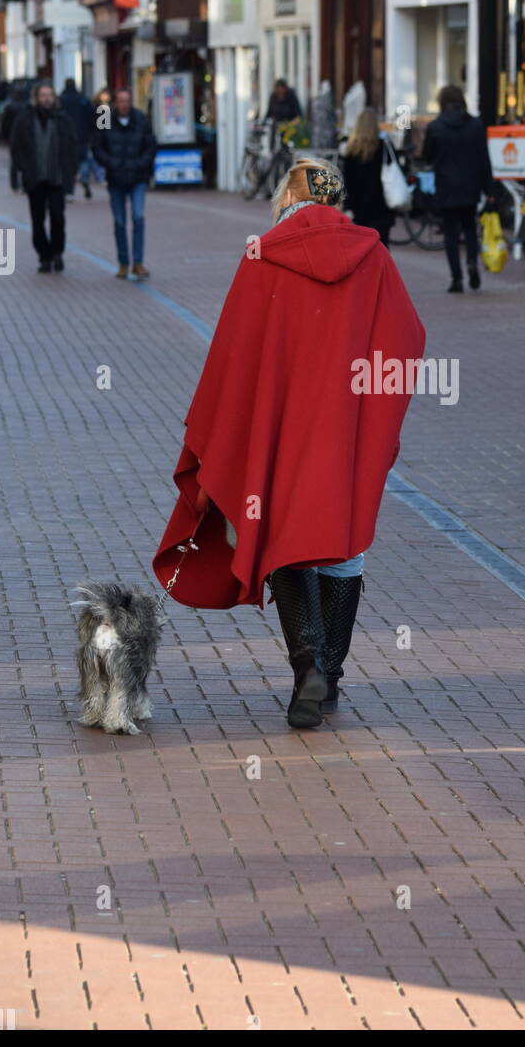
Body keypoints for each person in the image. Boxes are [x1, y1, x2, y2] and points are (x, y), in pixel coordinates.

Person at [153, 156, 425, 729]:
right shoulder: (372, 254)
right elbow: (407, 335)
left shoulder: (263, 254)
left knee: (281, 538)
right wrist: (372, 406)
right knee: (343, 545)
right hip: (346, 428)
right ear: (333, 199)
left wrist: (229, 424)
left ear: (287, 197)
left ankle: (310, 669)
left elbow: (232, 348)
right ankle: (328, 677)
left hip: (282, 428)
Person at [421, 84, 495, 293]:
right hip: (471, 186)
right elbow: (484, 159)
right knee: (470, 229)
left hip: (446, 186)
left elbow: (427, 156)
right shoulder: (476, 125)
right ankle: (472, 262)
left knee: (450, 233)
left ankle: (456, 278)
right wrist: (489, 189)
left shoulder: (435, 127)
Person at [9, 81, 78, 273]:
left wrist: (70, 172)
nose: (47, 98)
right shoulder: (25, 119)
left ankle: (57, 252)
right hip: (35, 179)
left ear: (54, 97)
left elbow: (72, 146)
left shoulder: (62, 119)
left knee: (58, 217)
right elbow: (16, 147)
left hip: (57, 178)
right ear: (36, 98)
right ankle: (44, 256)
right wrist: (23, 169)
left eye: (50, 94)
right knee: (37, 220)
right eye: (43, 95)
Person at [92, 86, 157, 280]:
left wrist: (141, 164)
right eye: (120, 100)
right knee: (119, 222)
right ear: (114, 103)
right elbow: (96, 146)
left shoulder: (141, 119)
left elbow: (151, 145)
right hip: (116, 179)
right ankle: (123, 263)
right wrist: (111, 164)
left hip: (137, 178)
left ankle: (138, 263)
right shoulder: (105, 119)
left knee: (138, 217)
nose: (124, 104)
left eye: (127, 100)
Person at [342, 108, 394, 248]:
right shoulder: (384, 147)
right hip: (382, 208)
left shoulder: (351, 151)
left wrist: (348, 207)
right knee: (382, 250)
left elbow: (348, 183)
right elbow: (395, 172)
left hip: (360, 211)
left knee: (363, 250)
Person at [60, 78, 95, 200]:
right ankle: (84, 179)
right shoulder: (83, 99)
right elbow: (92, 117)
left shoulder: (61, 100)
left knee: (68, 164)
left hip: (65, 138)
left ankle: (70, 191)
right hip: (82, 137)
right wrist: (92, 133)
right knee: (83, 160)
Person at [1, 80, 29, 191]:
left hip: (12, 136)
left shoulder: (10, 106)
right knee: (26, 160)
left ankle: (14, 184)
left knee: (14, 160)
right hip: (25, 136)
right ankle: (25, 184)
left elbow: (5, 123)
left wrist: (4, 136)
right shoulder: (26, 106)